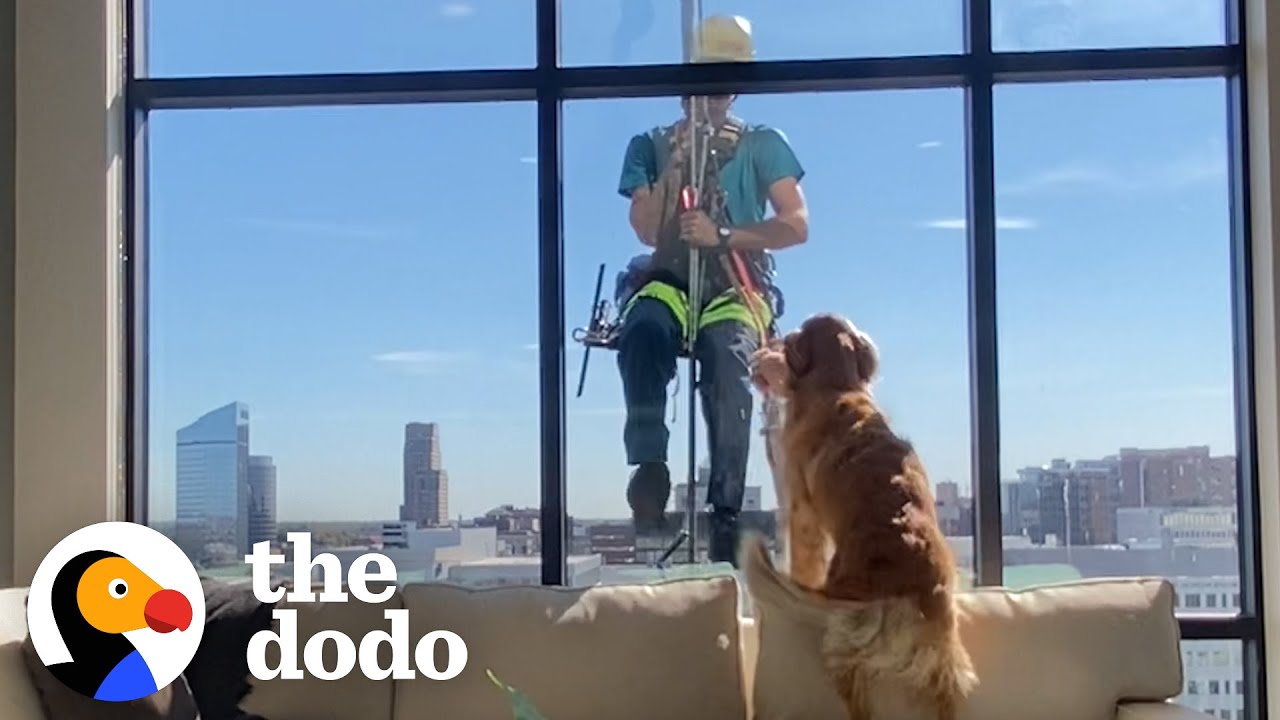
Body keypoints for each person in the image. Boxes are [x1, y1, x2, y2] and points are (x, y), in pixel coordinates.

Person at [613, 15, 809, 564]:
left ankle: (726, 507)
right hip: (669, 278)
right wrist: (676, 164)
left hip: (734, 283)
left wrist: (724, 235)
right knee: (645, 329)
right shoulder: (650, 146)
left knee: (728, 359)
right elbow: (646, 230)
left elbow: (795, 224)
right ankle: (649, 464)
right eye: (705, 83)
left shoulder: (762, 145)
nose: (714, 96)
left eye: (723, 85)